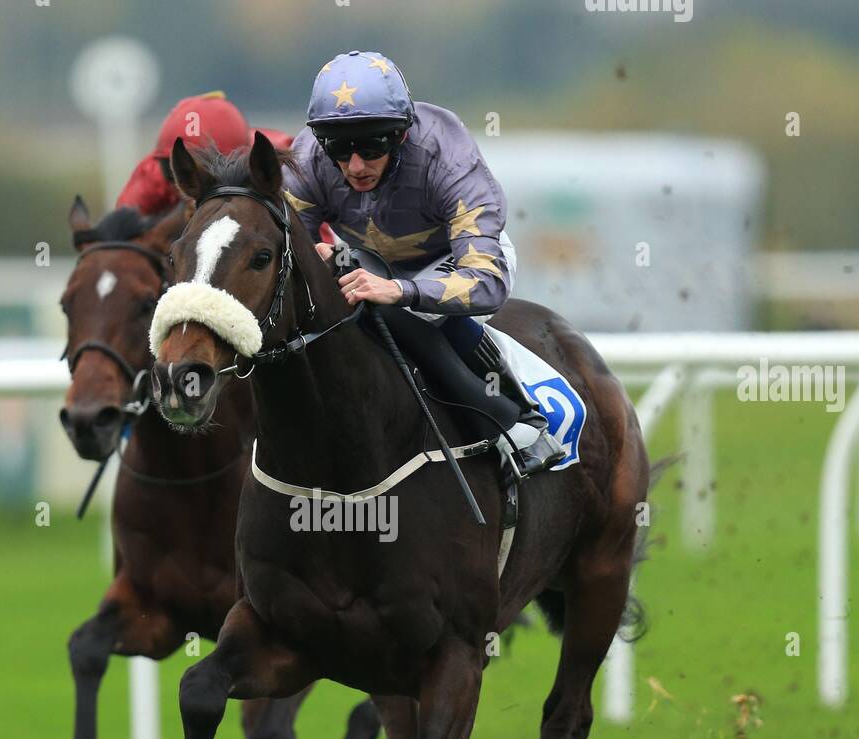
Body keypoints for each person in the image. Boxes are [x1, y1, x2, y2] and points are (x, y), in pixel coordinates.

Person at [281, 51, 567, 475]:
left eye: (373, 144)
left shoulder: (446, 156)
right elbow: (289, 254)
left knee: (390, 306)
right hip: (371, 258)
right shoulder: (308, 159)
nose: (355, 165)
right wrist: (318, 257)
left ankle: (517, 418)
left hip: (463, 258)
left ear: (400, 135)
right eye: (339, 148)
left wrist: (399, 291)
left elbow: (485, 282)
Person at [117, 91, 295, 217]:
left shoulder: (281, 168)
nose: (193, 180)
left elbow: (311, 244)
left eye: (206, 172)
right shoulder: (153, 173)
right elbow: (121, 237)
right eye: (183, 171)